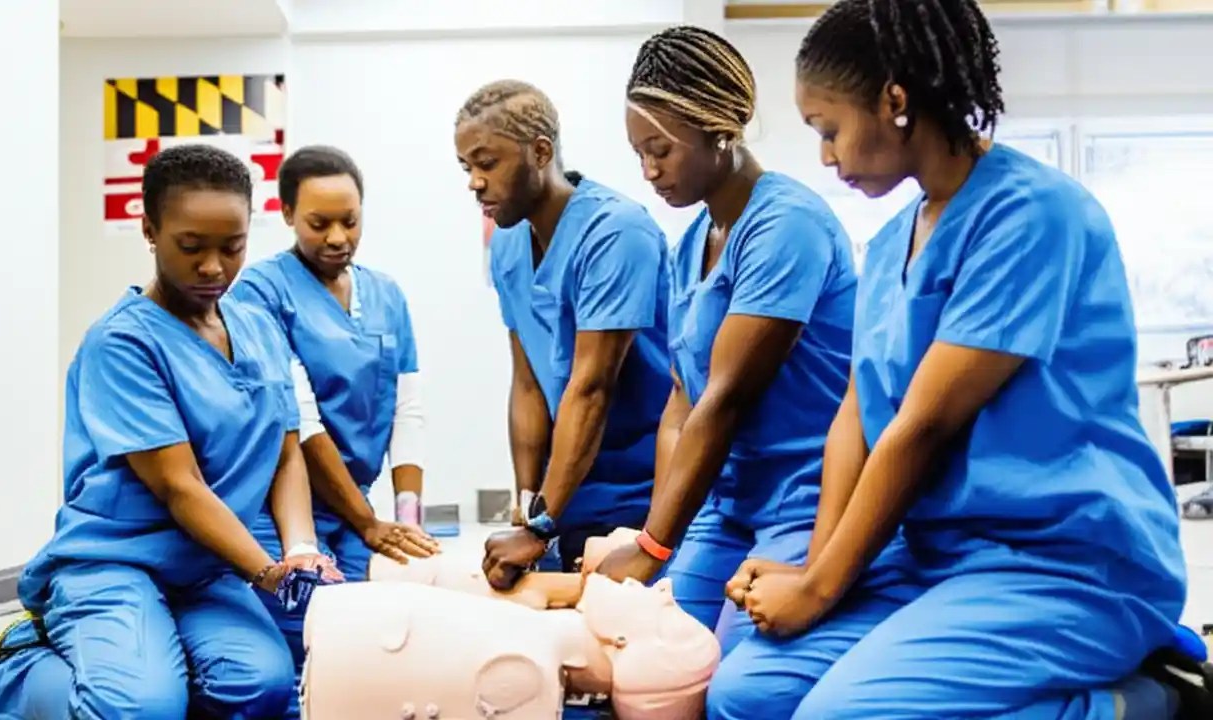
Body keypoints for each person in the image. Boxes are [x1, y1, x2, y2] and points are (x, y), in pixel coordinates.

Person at [733, 0, 1191, 717]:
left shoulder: (1034, 214)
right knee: (749, 694)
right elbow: (856, 418)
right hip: (936, 556)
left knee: (840, 716)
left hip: (1062, 561)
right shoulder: (888, 248)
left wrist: (819, 592)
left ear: (893, 101)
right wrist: (813, 572)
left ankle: (1142, 703)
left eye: (830, 131)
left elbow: (923, 427)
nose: (826, 157)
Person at [592, 25, 915, 718]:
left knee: (739, 690)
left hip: (805, 496)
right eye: (638, 153)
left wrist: (652, 546)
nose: (649, 170)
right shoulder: (690, 245)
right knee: (648, 663)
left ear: (719, 131)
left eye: (661, 149)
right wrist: (655, 530)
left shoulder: (786, 224)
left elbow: (727, 400)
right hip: (729, 505)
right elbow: (681, 401)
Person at [0, 144, 341, 719]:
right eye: (191, 247)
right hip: (113, 564)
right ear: (149, 230)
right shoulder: (122, 343)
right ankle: (20, 663)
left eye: (232, 246)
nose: (214, 267)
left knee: (263, 691)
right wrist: (268, 573)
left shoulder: (258, 326)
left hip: (204, 568)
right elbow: (180, 487)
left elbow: (287, 453)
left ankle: (142, 665)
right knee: (140, 711)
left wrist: (300, 550)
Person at [229, 144, 440, 708]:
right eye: (319, 224)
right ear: (288, 214)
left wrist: (406, 518)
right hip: (283, 512)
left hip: (359, 510)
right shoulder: (260, 293)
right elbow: (301, 422)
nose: (338, 237)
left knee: (396, 623)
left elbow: (406, 408)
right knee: (316, 631)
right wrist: (368, 523)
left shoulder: (386, 294)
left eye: (351, 221)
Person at [455, 80, 672, 584]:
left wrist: (542, 524)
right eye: (467, 167)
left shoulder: (616, 233)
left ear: (540, 152)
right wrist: (528, 508)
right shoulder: (508, 245)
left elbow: (591, 388)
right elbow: (528, 384)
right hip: (573, 489)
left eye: (487, 163)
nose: (474, 182)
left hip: (650, 489)